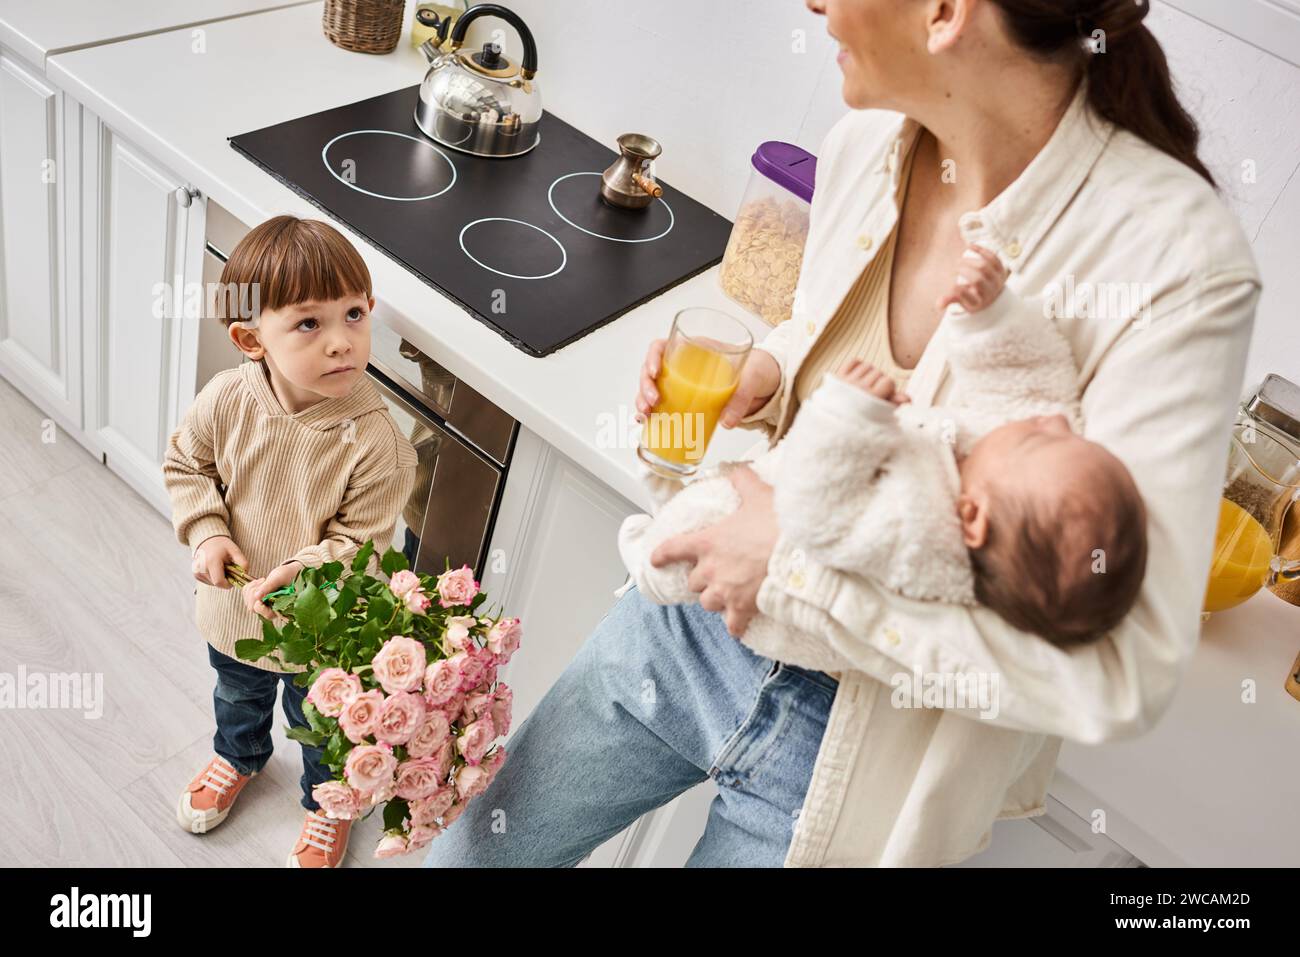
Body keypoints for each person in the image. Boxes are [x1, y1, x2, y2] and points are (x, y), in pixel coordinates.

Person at [421, 0, 1260, 867]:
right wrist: (770, 374)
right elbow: (828, 329)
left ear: (945, 12)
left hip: (860, 754)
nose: (813, 5)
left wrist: (790, 573)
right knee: (470, 859)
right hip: (694, 620)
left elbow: (1120, 674)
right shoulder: (871, 139)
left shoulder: (1177, 260)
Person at [618, 241, 1148, 652]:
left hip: (759, 617)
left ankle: (649, 559)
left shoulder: (919, 538)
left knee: (694, 526)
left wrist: (850, 413)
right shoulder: (1005, 471)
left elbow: (811, 512)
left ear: (971, 519)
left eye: (1039, 438)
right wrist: (994, 315)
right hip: (737, 562)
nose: (1055, 419)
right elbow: (1028, 384)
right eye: (1065, 433)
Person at [163, 215, 418, 868]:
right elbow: (188, 465)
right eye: (310, 323)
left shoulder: (376, 440)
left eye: (354, 313)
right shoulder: (227, 399)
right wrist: (208, 533)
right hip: (236, 612)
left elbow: (361, 542)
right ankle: (237, 754)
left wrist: (305, 573)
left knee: (324, 724)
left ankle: (329, 800)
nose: (342, 341)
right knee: (237, 693)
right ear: (251, 338)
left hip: (324, 628)